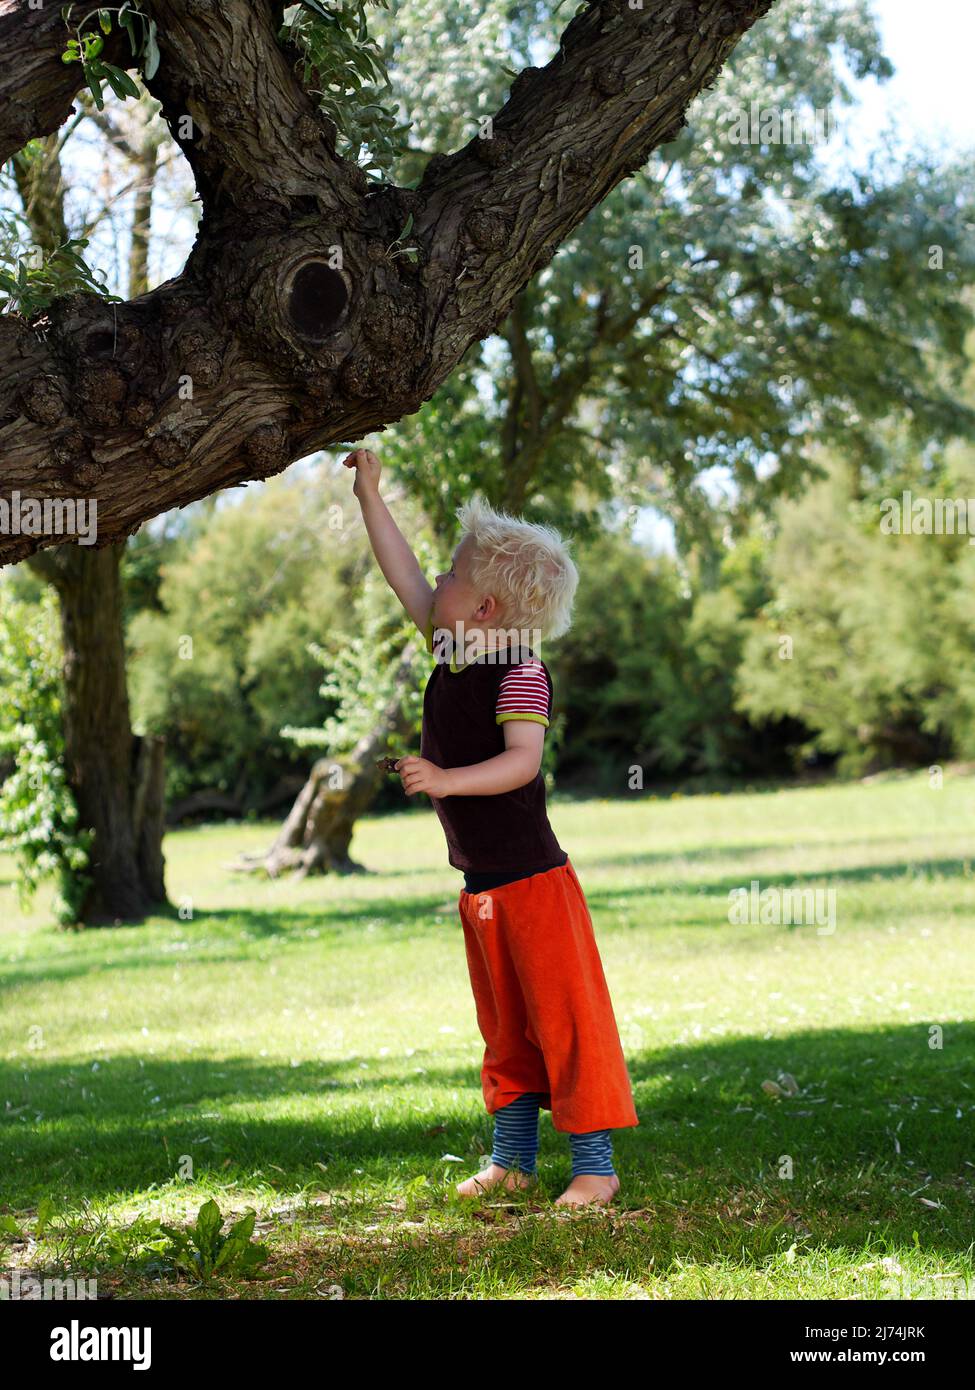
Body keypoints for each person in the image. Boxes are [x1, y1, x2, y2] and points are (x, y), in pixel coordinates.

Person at [344, 448, 639, 1207]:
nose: (434, 582)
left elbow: (520, 762)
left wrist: (443, 779)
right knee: (504, 1026)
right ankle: (511, 1160)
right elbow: (402, 574)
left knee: (564, 1025)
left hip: (536, 887)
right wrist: (368, 492)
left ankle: (595, 1167)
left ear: (483, 610)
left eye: (452, 575)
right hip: (480, 888)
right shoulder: (451, 651)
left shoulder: (521, 674)